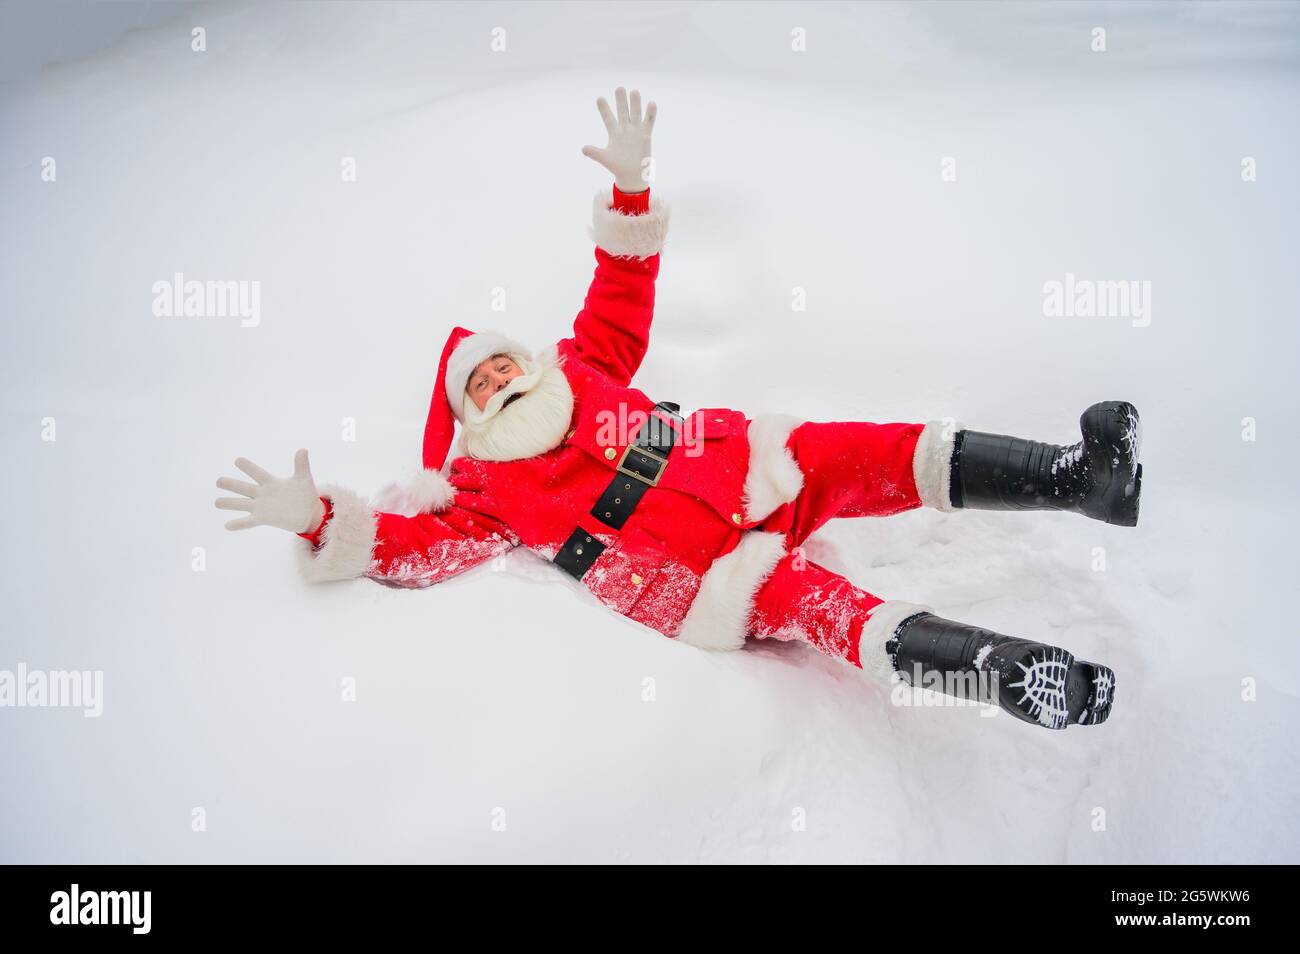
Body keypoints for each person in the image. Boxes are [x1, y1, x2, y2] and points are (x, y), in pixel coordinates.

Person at [216, 87, 1139, 731]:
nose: (496, 381)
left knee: (892, 451)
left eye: (499, 364)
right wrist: (321, 521)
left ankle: (1081, 478)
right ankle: (1011, 675)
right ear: (468, 417)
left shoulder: (583, 367)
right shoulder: (481, 492)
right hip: (702, 577)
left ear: (524, 357)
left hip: (748, 465)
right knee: (836, 614)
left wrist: (630, 187)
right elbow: (408, 551)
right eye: (480, 387)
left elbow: (621, 284)